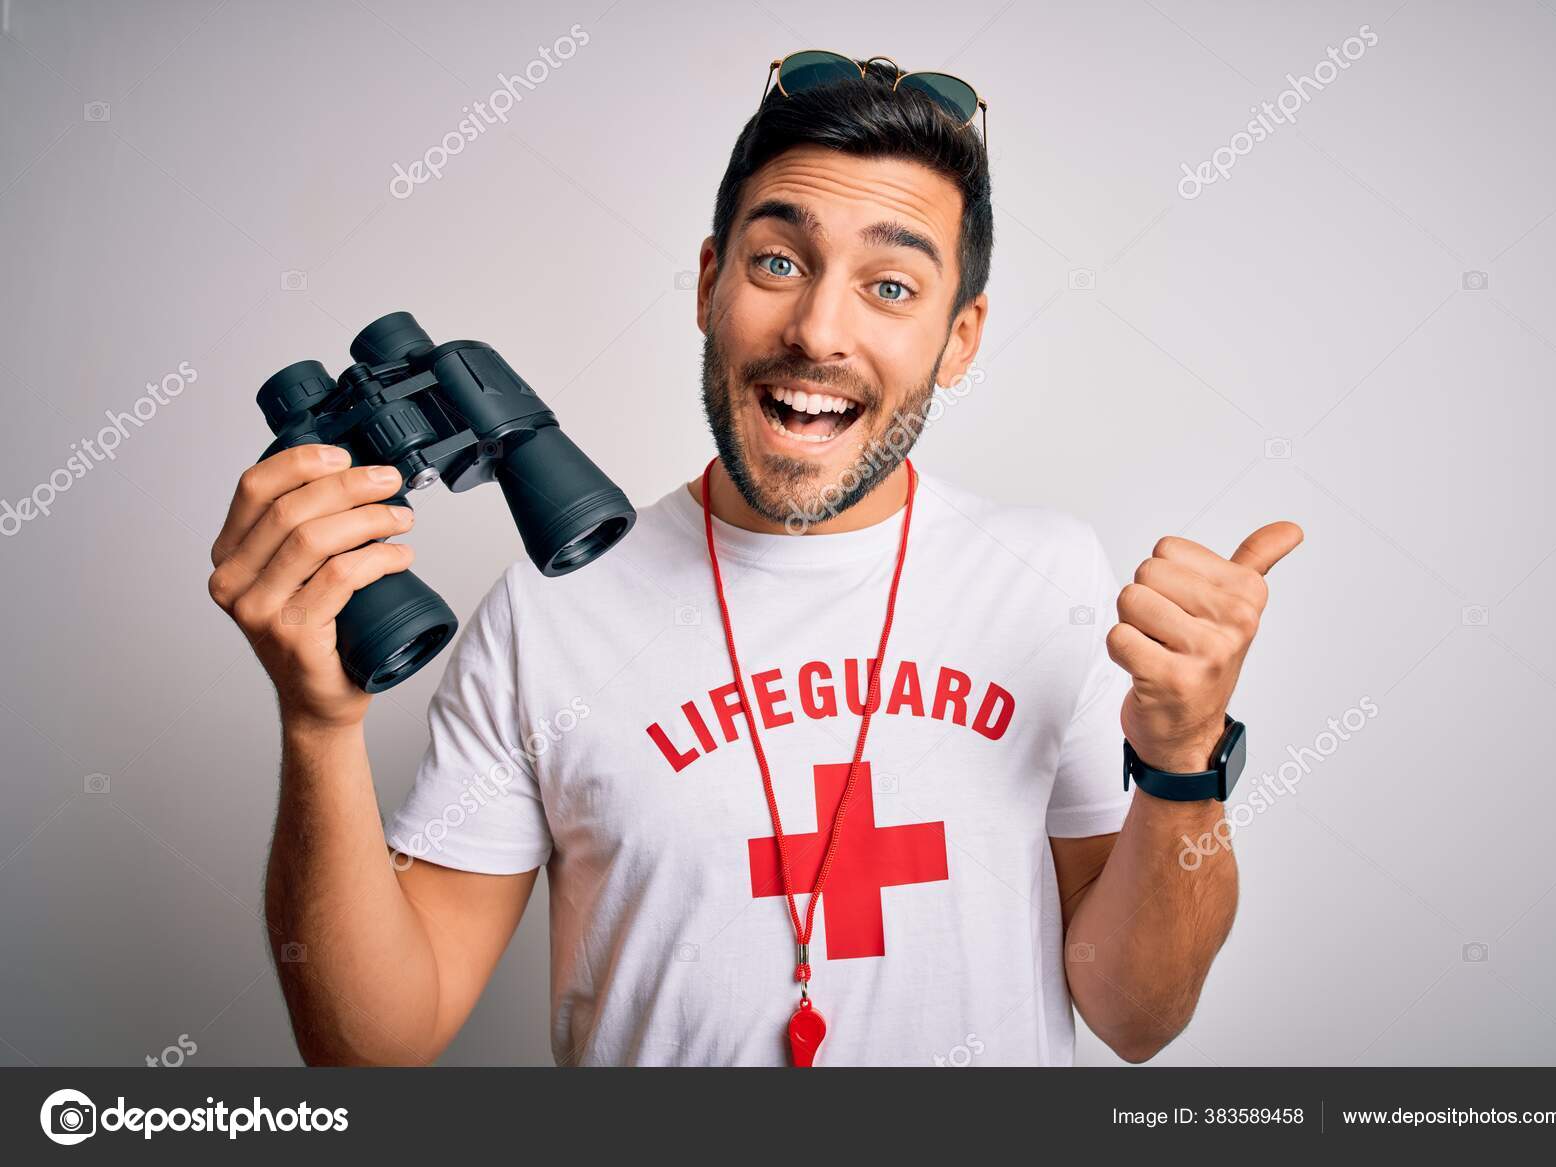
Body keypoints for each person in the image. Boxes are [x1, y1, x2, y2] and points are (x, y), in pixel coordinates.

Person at [206, 55, 1301, 1066]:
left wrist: (1183, 761)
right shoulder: (550, 611)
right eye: (778, 262)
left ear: (958, 339)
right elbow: (372, 1048)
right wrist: (318, 725)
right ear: (707, 284)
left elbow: (1135, 1015)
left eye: (889, 286)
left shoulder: (1052, 581)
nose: (818, 331)